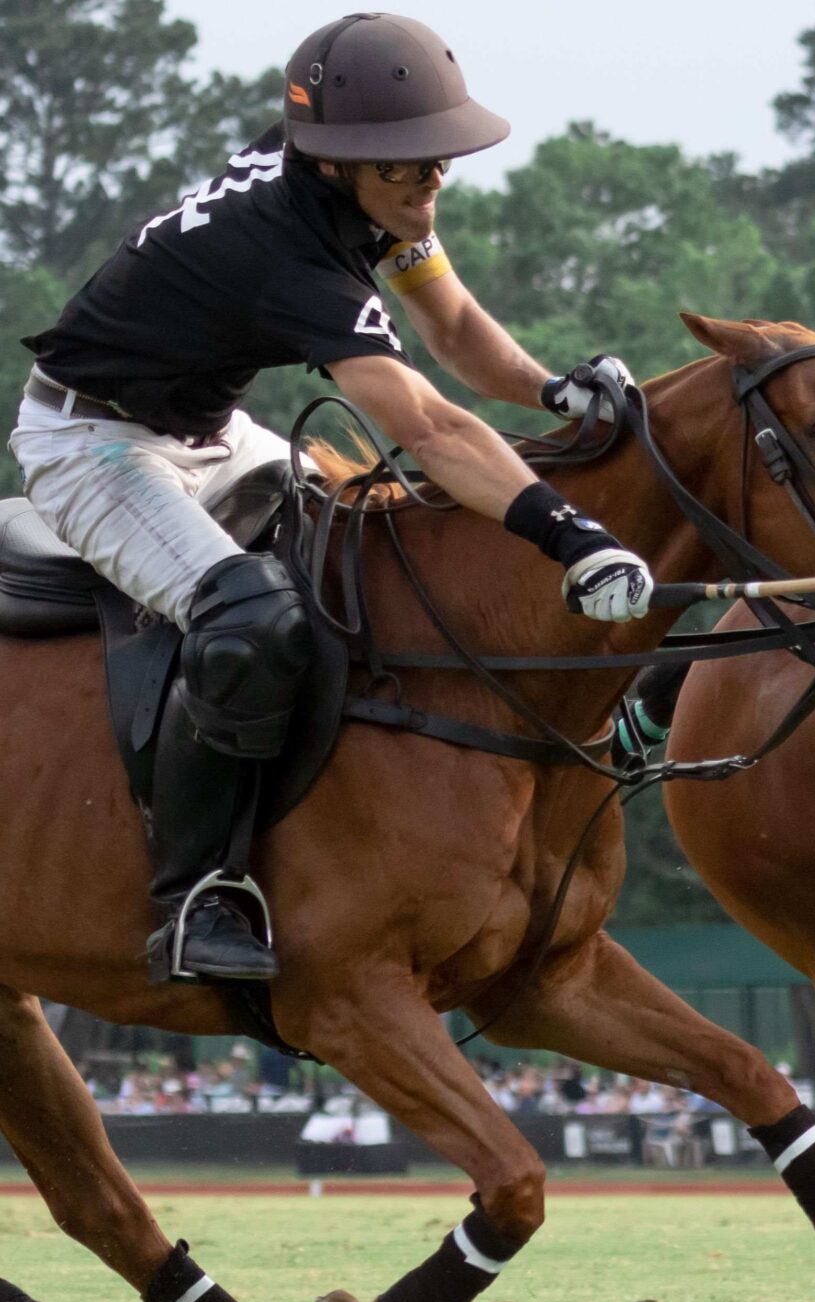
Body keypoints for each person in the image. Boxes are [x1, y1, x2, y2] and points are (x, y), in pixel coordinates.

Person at [13, 14, 656, 984]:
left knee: (383, 554)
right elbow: (431, 430)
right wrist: (567, 534)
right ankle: (196, 892)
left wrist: (547, 389)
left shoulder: (356, 192)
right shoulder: (288, 256)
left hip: (210, 433)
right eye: (404, 168)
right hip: (92, 444)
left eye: (434, 159)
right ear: (334, 165)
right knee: (254, 621)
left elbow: (454, 326)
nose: (428, 179)